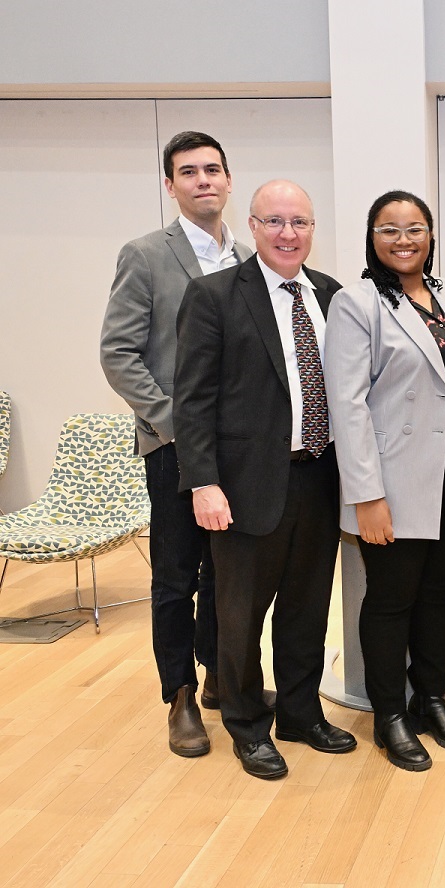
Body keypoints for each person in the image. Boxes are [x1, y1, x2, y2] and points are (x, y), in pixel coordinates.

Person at [174, 180, 355, 779]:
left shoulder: (332, 296)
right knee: (240, 614)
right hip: (244, 487)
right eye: (274, 221)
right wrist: (203, 482)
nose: (288, 233)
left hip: (319, 478)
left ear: (312, 229)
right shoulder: (214, 296)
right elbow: (193, 401)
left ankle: (300, 714)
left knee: (307, 608)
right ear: (252, 226)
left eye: (299, 222)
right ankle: (247, 724)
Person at [325, 191, 445, 772]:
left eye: (415, 228)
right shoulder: (358, 303)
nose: (404, 240)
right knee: (391, 599)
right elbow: (346, 405)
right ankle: (389, 714)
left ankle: (432, 699)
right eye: (389, 230)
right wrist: (367, 495)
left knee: (436, 592)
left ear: (430, 234)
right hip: (392, 484)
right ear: (371, 237)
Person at [100, 131, 253, 758]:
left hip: (239, 448)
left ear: (228, 179)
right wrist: (177, 423)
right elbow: (119, 354)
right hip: (173, 446)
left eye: (213, 170)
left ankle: (221, 674)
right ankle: (181, 697)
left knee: (228, 572)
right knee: (176, 575)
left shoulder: (248, 259)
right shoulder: (145, 255)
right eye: (188, 173)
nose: (203, 181)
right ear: (170, 185)